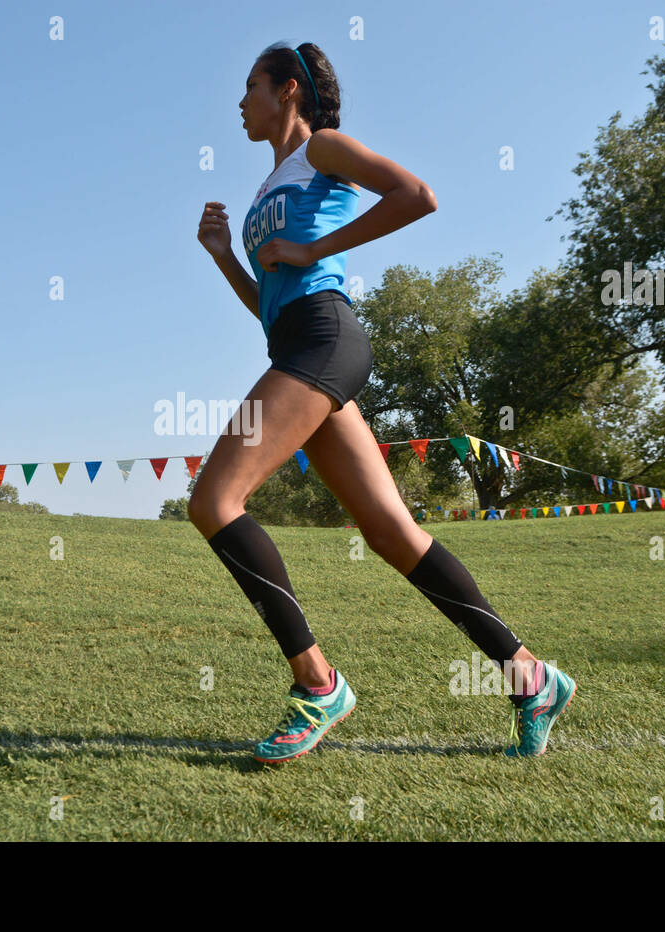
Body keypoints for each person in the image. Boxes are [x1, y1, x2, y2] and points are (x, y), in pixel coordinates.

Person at [190, 41, 576, 763]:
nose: (240, 101)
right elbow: (270, 309)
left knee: (214, 500)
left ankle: (318, 685)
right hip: (297, 346)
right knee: (392, 533)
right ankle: (531, 678)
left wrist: (313, 250)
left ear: (290, 92)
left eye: (250, 86)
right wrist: (224, 257)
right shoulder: (267, 186)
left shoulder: (324, 149)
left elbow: (416, 195)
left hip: (325, 341)